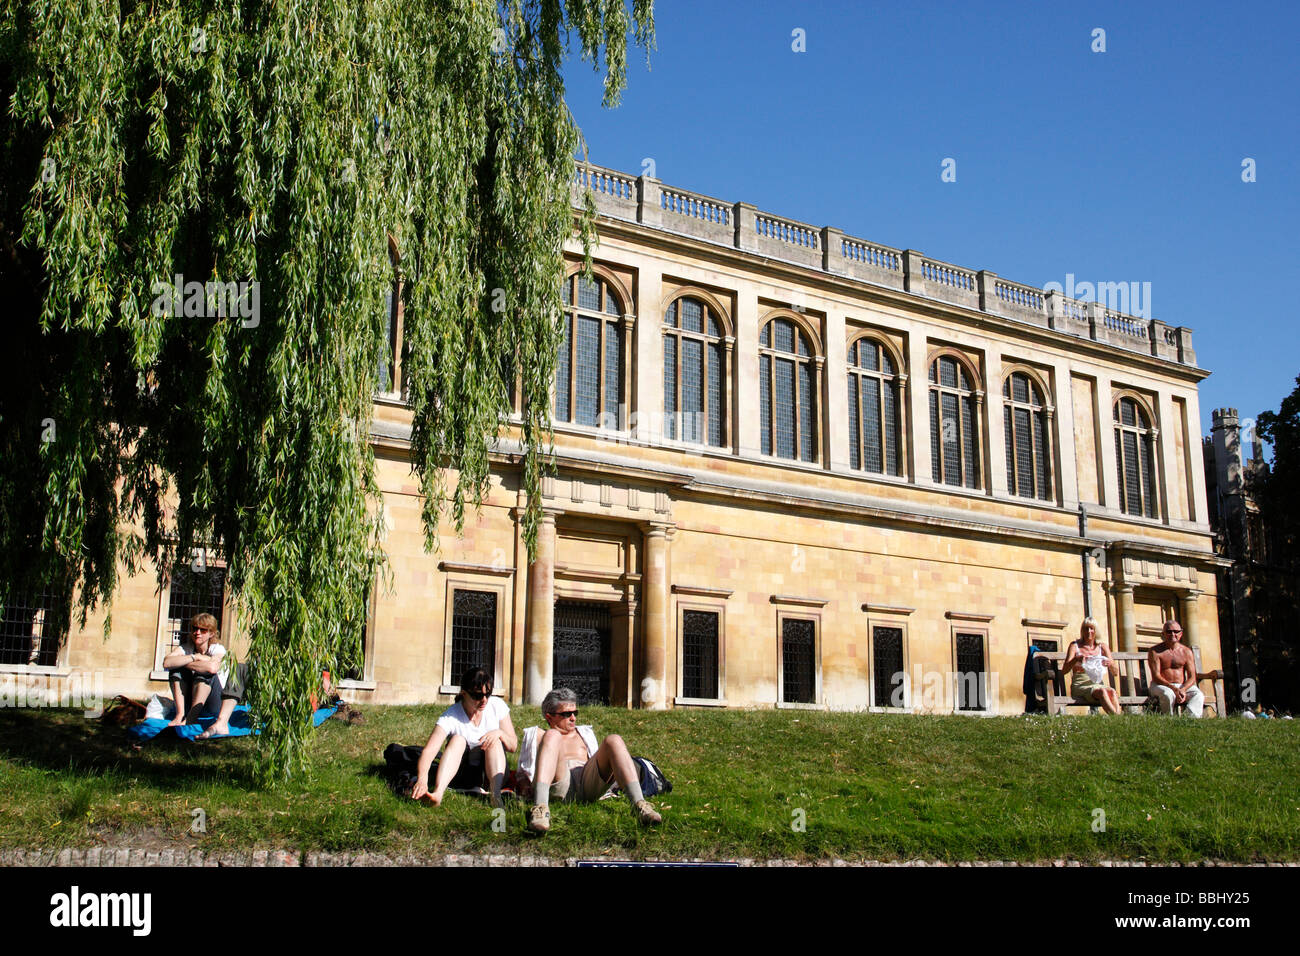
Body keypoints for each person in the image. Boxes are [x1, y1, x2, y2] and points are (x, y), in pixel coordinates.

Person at [518, 687, 662, 834]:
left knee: (614, 740)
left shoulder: (584, 733)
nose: (573, 718)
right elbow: (523, 771)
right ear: (549, 717)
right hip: (558, 780)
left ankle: (640, 805)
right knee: (553, 735)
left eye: (575, 713)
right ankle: (540, 808)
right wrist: (525, 786)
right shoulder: (538, 735)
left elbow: (597, 762)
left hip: (586, 779)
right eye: (566, 714)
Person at [412, 666, 516, 807]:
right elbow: (429, 750)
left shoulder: (497, 706)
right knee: (458, 740)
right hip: (463, 774)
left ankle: (495, 795)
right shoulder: (451, 715)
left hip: (492, 774)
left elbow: (513, 746)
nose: (484, 700)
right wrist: (422, 780)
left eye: (488, 694)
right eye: (478, 696)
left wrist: (500, 733)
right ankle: (438, 794)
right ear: (464, 693)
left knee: (495, 741)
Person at [162, 614, 227, 726]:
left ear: (211, 633)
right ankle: (180, 715)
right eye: (195, 628)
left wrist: (182, 663)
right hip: (190, 701)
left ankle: (191, 718)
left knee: (205, 674)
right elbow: (167, 663)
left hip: (212, 705)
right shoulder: (186, 648)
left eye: (203, 630)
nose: (197, 633)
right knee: (176, 671)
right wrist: (194, 657)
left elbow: (212, 668)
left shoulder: (218, 649)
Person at [1062, 617, 1121, 714]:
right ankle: (1117, 719)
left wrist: (1109, 664)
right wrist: (1076, 659)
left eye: (1091, 628)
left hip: (1098, 684)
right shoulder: (1075, 646)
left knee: (1112, 692)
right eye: (1086, 628)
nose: (1089, 631)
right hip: (1081, 685)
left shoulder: (1102, 647)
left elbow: (1115, 673)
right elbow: (1064, 670)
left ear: (1095, 630)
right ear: (1082, 631)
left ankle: (1118, 718)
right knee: (1103, 692)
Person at [1147, 620, 1204, 717]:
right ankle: (1168, 719)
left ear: (1181, 633)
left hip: (1181, 686)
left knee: (1198, 694)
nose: (1172, 634)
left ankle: (1189, 720)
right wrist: (1173, 688)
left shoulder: (1186, 652)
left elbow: (1192, 677)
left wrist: (1183, 689)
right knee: (1168, 694)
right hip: (1160, 686)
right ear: (1163, 634)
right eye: (1169, 632)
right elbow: (1156, 676)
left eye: (1176, 631)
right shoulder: (1155, 651)